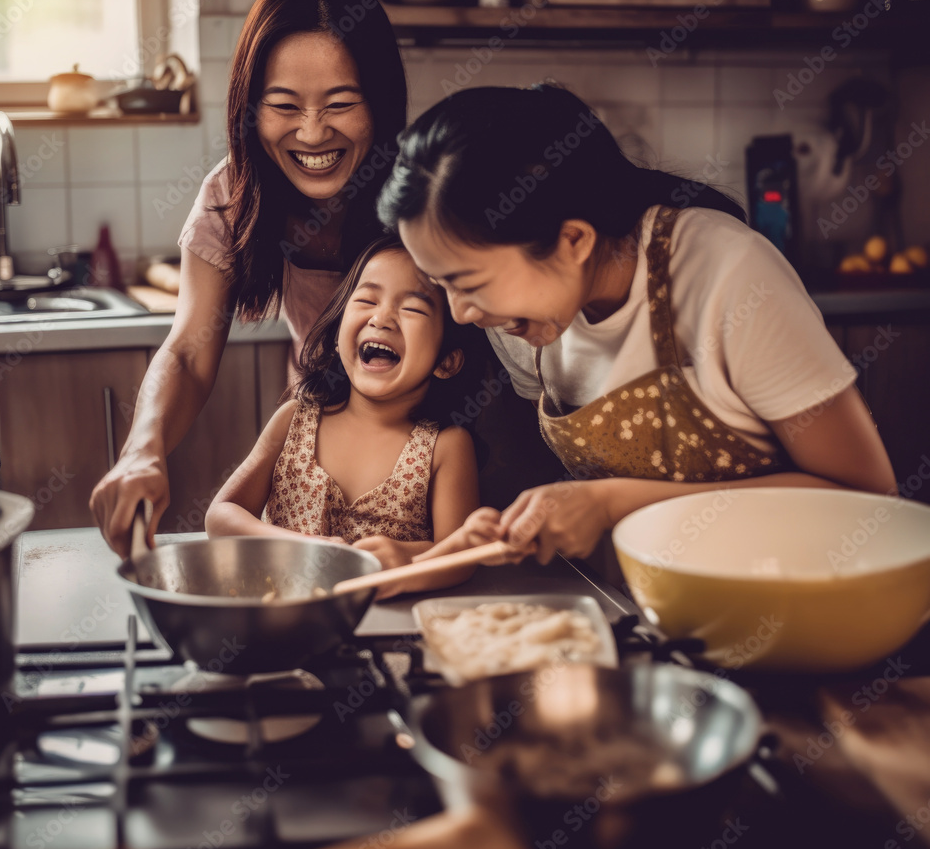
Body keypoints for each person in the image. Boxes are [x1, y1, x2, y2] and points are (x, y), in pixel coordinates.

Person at [379, 84, 897, 565]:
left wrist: (611, 501)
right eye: (440, 284)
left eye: (468, 282)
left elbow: (868, 497)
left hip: (782, 590)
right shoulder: (519, 319)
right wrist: (449, 552)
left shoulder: (730, 276)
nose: (462, 312)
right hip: (639, 601)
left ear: (574, 241)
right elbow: (550, 493)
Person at [91, 0, 408, 557]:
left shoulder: (422, 191)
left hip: (431, 472)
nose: (313, 134)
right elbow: (188, 350)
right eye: (284, 106)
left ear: (381, 103)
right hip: (315, 468)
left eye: (341, 104)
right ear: (249, 109)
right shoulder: (235, 194)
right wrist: (143, 449)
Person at [204, 236, 482, 596]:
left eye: (412, 309)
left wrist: (405, 560)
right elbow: (222, 516)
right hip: (283, 618)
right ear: (337, 336)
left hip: (388, 632)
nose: (382, 318)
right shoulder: (294, 420)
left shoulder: (447, 447)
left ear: (447, 360)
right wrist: (301, 548)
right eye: (366, 300)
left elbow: (462, 556)